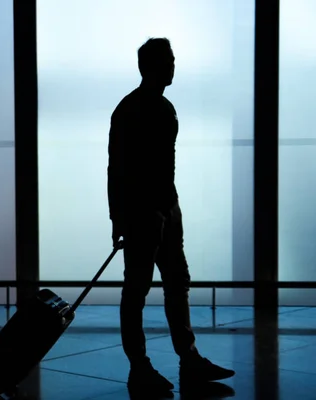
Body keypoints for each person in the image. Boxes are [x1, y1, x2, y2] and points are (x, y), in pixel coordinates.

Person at [107, 37, 235, 395]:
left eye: (173, 60)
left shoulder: (143, 107)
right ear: (151, 66)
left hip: (158, 210)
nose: (173, 66)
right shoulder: (147, 109)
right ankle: (157, 364)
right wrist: (123, 216)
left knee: (162, 285)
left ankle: (159, 364)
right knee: (148, 288)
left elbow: (119, 167)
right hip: (150, 211)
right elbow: (119, 168)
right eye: (168, 61)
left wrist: (123, 216)